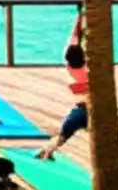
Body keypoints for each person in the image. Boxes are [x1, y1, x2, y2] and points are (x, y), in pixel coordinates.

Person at [37, 11, 88, 160]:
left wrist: (78, 21)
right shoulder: (88, 73)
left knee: (63, 135)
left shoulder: (71, 69)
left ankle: (46, 150)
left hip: (79, 109)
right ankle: (46, 151)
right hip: (88, 111)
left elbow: (72, 39)